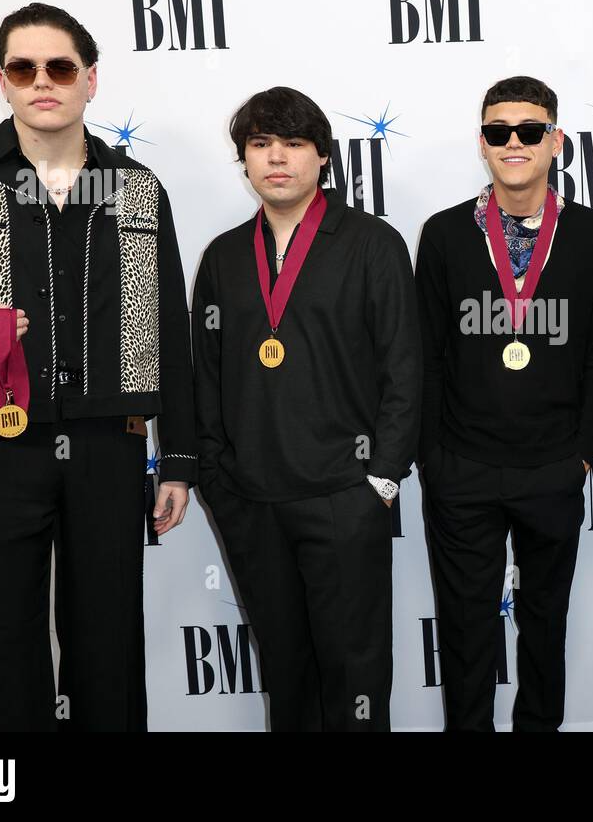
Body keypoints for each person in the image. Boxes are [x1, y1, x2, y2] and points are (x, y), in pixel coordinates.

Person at [0, 2, 196, 731]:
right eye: (24, 68)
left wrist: (175, 458)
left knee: (109, 641)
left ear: (90, 80)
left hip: (110, 447)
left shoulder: (138, 188)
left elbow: (171, 333)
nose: (41, 81)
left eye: (59, 67)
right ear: (3, 82)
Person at [193, 86, 420, 731]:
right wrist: (218, 477)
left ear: (322, 157)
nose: (277, 159)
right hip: (253, 500)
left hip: (344, 494)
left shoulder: (373, 244)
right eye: (261, 145)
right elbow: (205, 376)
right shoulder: (225, 257)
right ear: (244, 161)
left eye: (293, 144)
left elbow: (404, 368)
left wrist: (379, 478)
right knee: (287, 678)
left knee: (355, 676)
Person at [414, 75, 593, 731]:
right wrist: (434, 458)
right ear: (483, 142)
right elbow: (428, 352)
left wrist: (583, 456)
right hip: (462, 468)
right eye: (499, 131)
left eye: (530, 131)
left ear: (555, 141)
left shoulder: (592, 233)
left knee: (544, 625)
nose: (514, 142)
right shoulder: (445, 234)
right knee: (466, 628)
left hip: (552, 468)